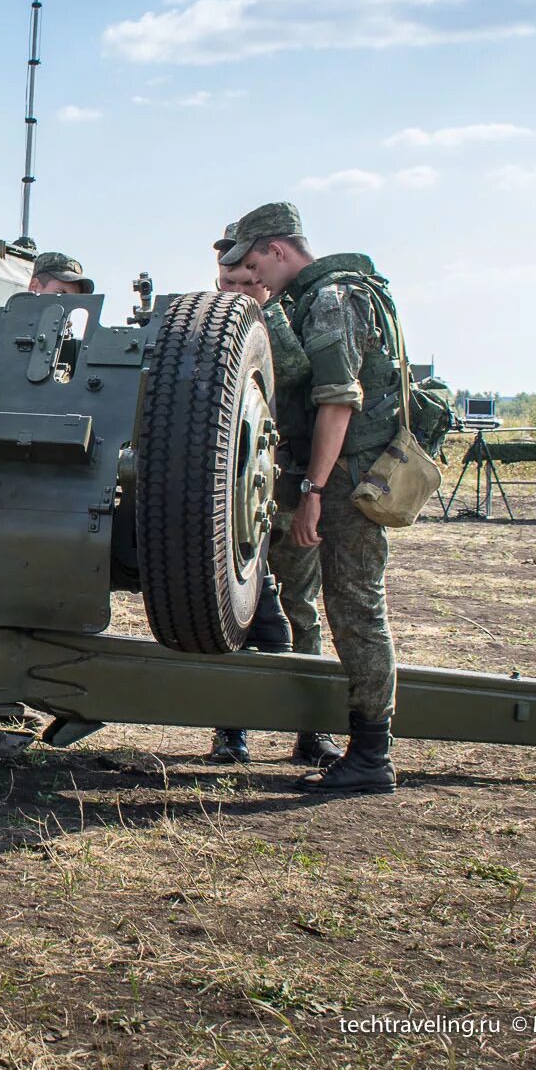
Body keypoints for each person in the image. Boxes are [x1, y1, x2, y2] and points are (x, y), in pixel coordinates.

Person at [217, 202, 402, 794]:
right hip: (335, 476)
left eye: (253, 263)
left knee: (356, 613)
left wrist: (316, 490)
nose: (254, 278)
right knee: (348, 611)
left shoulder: (332, 298)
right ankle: (362, 748)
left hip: (344, 480)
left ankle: (372, 756)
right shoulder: (321, 296)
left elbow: (337, 400)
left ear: (276, 250)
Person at [206, 254, 340, 768]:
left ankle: (313, 731)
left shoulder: (295, 324)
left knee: (302, 611)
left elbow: (314, 388)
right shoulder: (207, 336)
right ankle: (230, 731)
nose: (240, 290)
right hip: (228, 502)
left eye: (248, 281)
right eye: (228, 281)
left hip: (286, 496)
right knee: (228, 614)